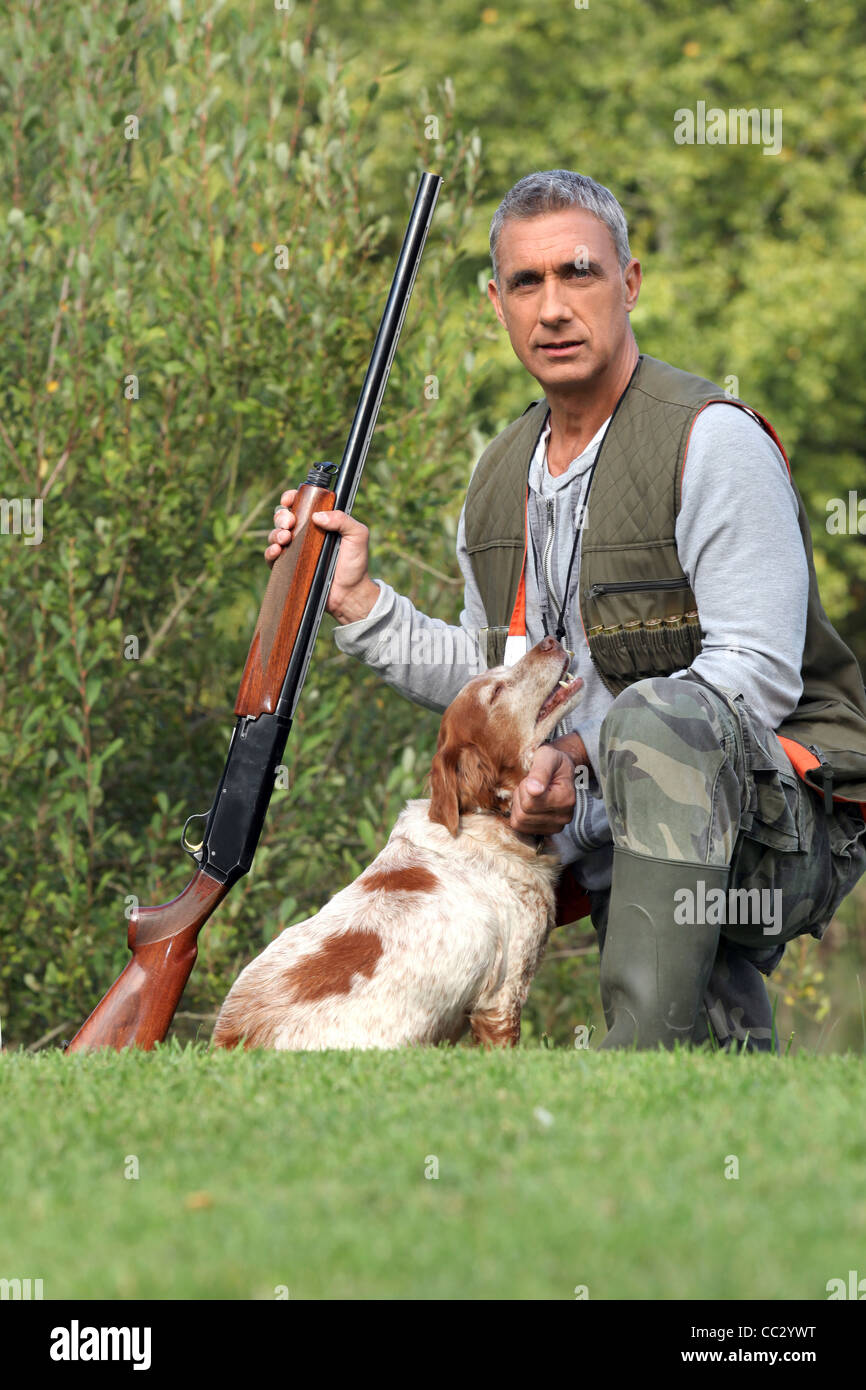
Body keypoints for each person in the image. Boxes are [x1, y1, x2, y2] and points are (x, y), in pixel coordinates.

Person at [266, 170, 866, 1052]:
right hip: (618, 828)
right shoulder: (498, 476)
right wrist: (360, 604)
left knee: (663, 719)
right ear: (496, 303)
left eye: (578, 274)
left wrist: (577, 757)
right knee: (709, 1075)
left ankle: (638, 1062)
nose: (552, 308)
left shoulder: (711, 441)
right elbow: (494, 679)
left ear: (628, 282)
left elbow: (756, 673)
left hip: (786, 816)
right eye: (526, 283)